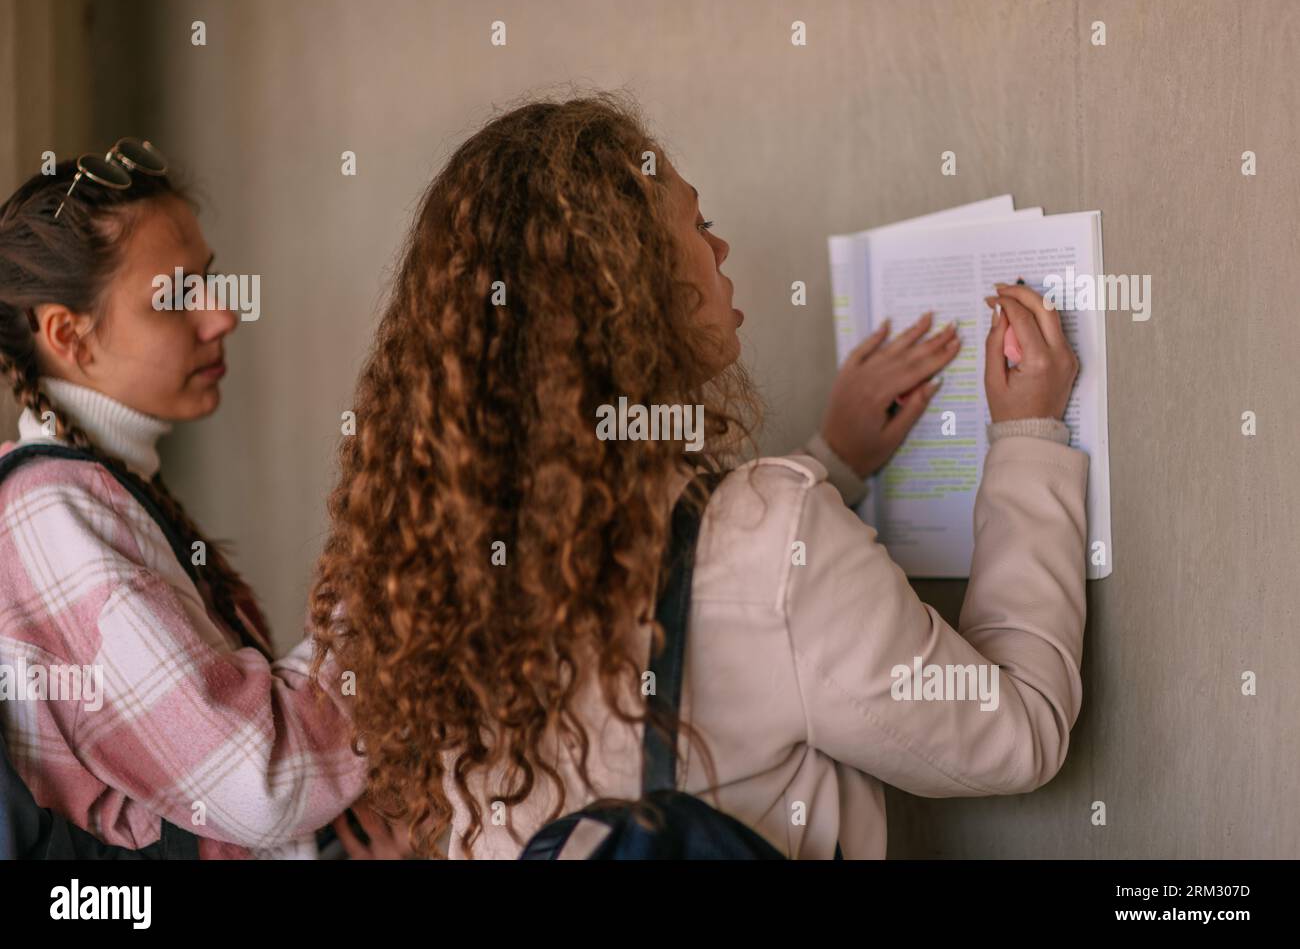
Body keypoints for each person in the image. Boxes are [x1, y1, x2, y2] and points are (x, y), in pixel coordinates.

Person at [307, 92, 1087, 860]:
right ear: (625, 281)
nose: (720, 251)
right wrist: (1029, 437)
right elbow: (1020, 732)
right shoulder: (771, 539)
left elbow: (703, 580)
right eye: (699, 224)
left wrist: (836, 459)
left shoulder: (437, 562)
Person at [0, 140, 373, 858]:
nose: (221, 315)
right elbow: (263, 783)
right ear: (67, 335)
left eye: (209, 280)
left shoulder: (97, 489)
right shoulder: (55, 516)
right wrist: (394, 575)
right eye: (175, 296)